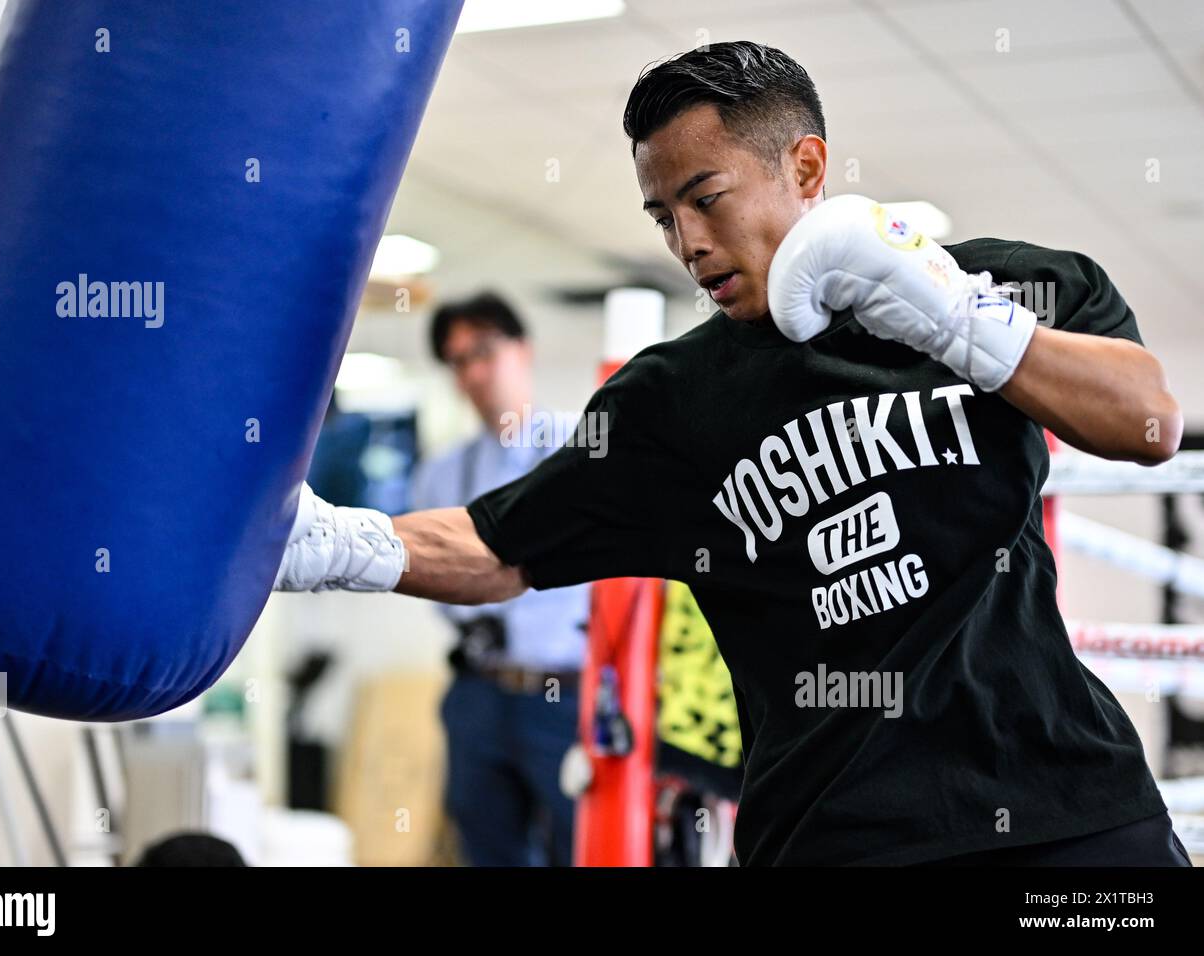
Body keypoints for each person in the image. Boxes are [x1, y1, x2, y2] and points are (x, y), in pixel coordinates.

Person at [275, 42, 1192, 866]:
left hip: (1070, 811)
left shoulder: (993, 282)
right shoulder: (672, 399)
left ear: (805, 165)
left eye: (705, 199)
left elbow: (1147, 425)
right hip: (833, 835)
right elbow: (500, 546)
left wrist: (955, 321)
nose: (688, 243)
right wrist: (331, 547)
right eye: (663, 217)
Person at [411, 292, 589, 866]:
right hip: (480, 691)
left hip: (565, 693)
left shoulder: (583, 450)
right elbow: (427, 570)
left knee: (581, 844)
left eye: (484, 351)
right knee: (485, 846)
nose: (474, 372)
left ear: (523, 350)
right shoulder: (442, 474)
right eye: (458, 361)